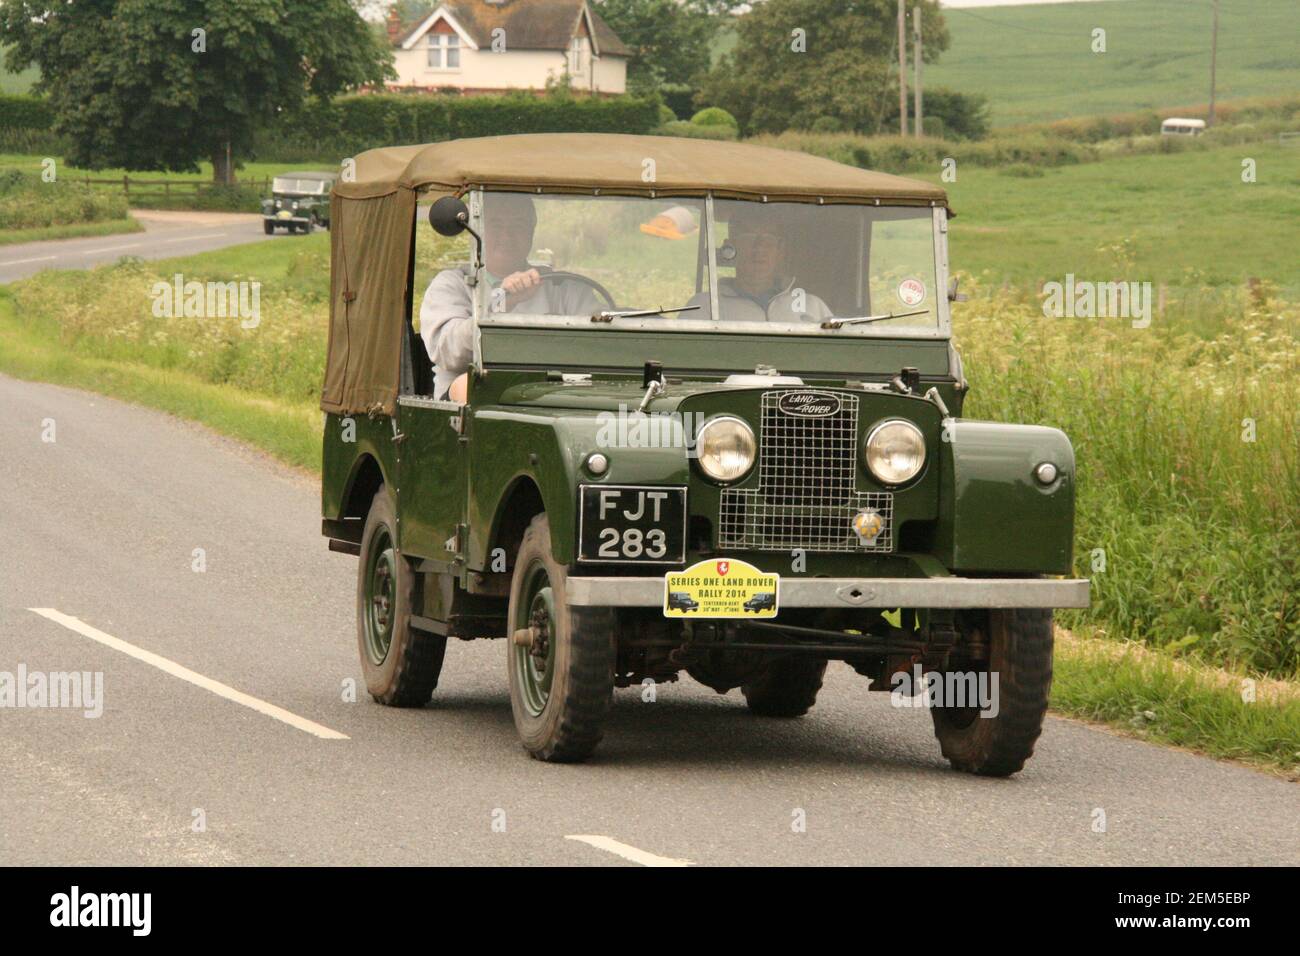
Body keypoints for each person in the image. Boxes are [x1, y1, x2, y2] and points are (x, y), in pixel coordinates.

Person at [419, 193, 600, 402]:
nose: (506, 236)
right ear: (479, 230)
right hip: (475, 402)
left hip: (557, 397)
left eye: (518, 226)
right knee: (465, 385)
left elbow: (599, 344)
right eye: (496, 225)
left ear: (531, 232)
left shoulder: (564, 288)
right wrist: (501, 303)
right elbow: (448, 352)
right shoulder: (452, 284)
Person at [686, 206, 832, 323]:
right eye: (749, 238)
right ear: (729, 248)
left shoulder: (813, 307)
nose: (760, 247)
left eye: (769, 239)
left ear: (780, 251)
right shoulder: (704, 306)